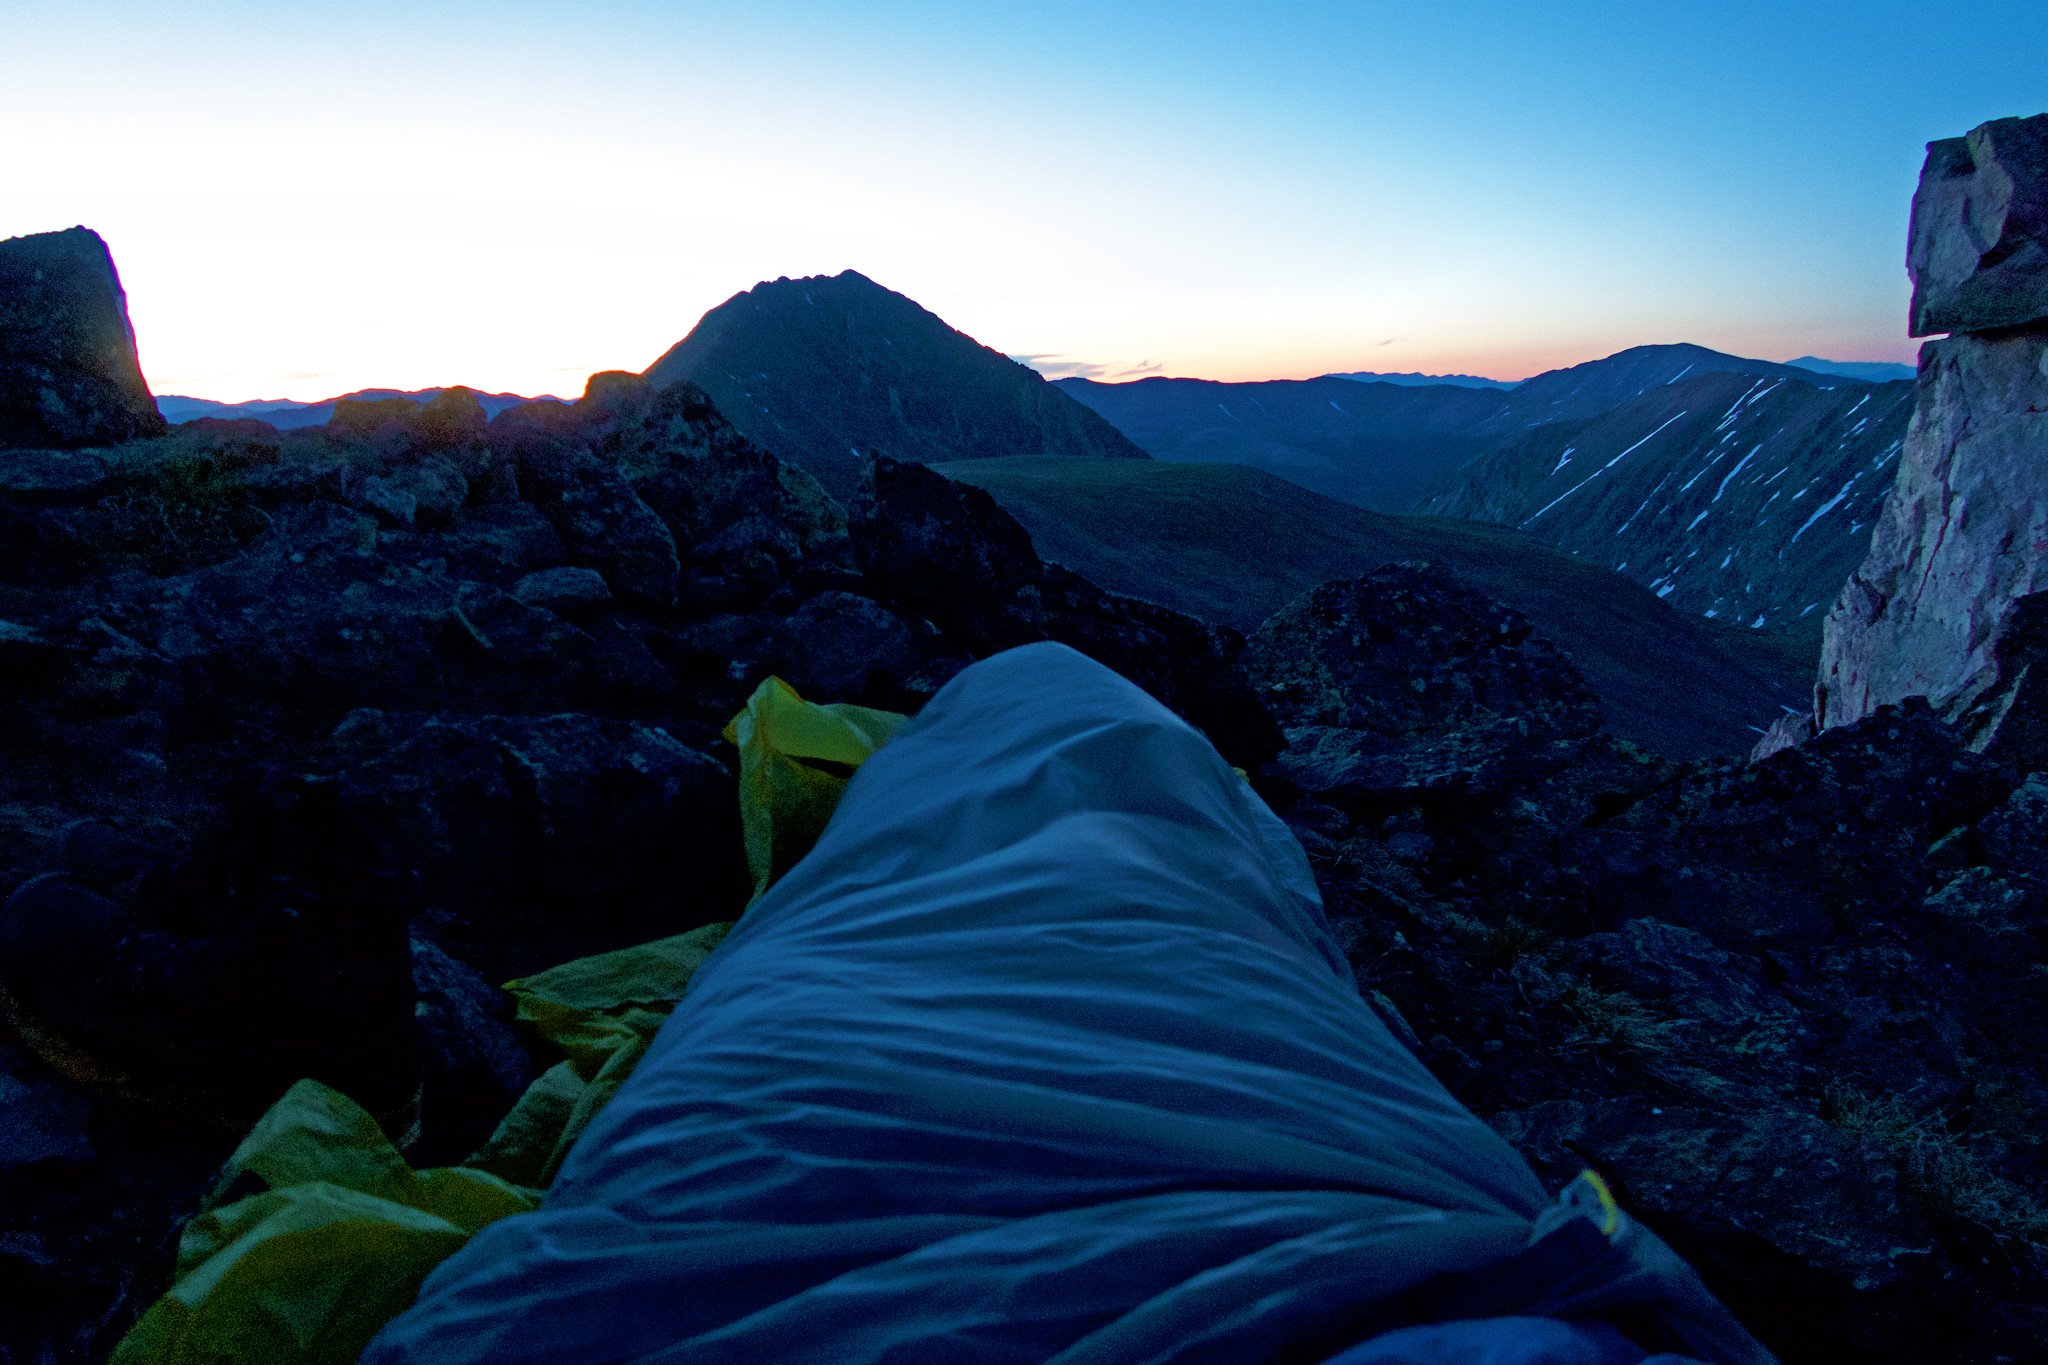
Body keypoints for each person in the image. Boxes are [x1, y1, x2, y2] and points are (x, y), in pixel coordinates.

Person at [366, 642, 1772, 1364]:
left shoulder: (960, 752)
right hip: (1177, 916)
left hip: (967, 917)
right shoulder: (1129, 753)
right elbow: (1235, 849)